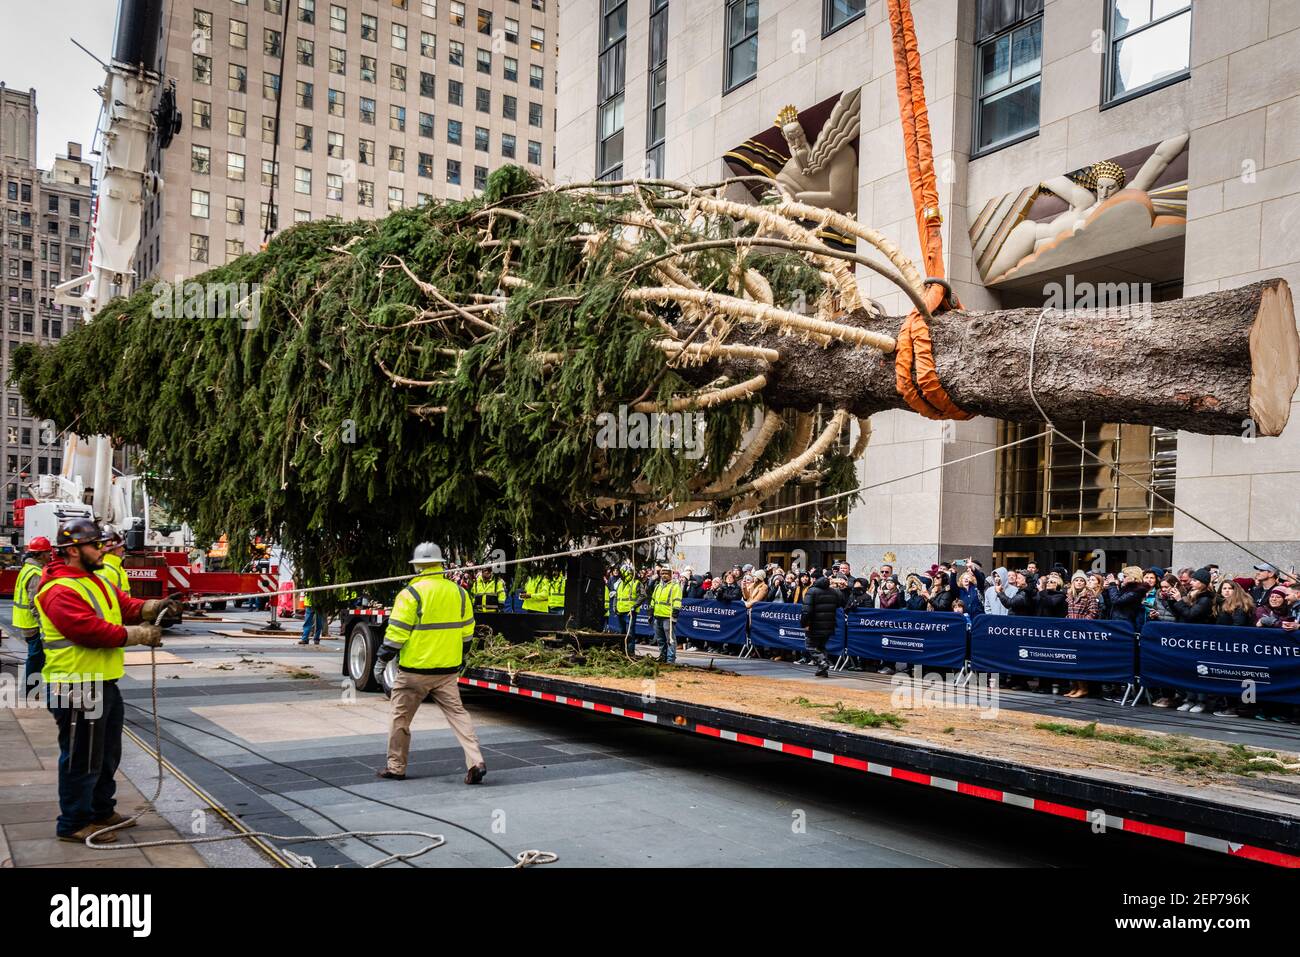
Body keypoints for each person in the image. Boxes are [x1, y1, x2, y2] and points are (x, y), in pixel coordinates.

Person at [37, 519, 179, 843]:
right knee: (81, 759)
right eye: (95, 545)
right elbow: (89, 631)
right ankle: (73, 823)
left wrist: (151, 607)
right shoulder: (59, 590)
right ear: (73, 550)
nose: (102, 549)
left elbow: (123, 606)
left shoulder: (95, 581)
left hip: (102, 683)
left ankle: (102, 812)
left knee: (105, 755)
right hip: (76, 685)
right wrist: (139, 635)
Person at [375, 542, 484, 784]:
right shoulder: (459, 593)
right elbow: (468, 633)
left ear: (417, 567)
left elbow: (396, 635)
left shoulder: (410, 594)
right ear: (440, 565)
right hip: (446, 671)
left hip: (414, 672)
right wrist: (462, 657)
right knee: (459, 716)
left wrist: (382, 660)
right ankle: (476, 761)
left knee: (399, 719)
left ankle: (396, 767)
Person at [11, 535, 52, 691]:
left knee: (36, 656)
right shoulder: (35, 573)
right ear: (40, 554)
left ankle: (31, 689)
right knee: (36, 657)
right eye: (48, 552)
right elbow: (34, 602)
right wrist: (43, 624)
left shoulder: (28, 568)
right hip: (32, 623)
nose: (50, 555)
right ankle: (30, 690)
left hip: (26, 621)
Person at [800, 575, 844, 678]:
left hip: (814, 624)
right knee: (821, 646)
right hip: (829, 624)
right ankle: (822, 669)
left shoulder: (812, 591)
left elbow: (806, 610)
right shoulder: (834, 591)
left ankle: (823, 662)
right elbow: (839, 604)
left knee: (810, 645)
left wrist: (804, 623)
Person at [650, 566, 682, 663]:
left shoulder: (675, 586)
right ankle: (662, 656)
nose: (664, 575)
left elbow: (677, 601)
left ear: (670, 575)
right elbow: (653, 600)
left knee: (670, 639)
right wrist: (651, 612)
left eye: (666, 574)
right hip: (657, 616)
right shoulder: (657, 586)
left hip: (668, 617)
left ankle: (670, 659)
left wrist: (674, 614)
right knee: (660, 639)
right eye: (662, 573)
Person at [95, 526, 130, 597]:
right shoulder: (105, 570)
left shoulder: (115, 567)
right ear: (111, 550)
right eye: (120, 546)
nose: (123, 549)